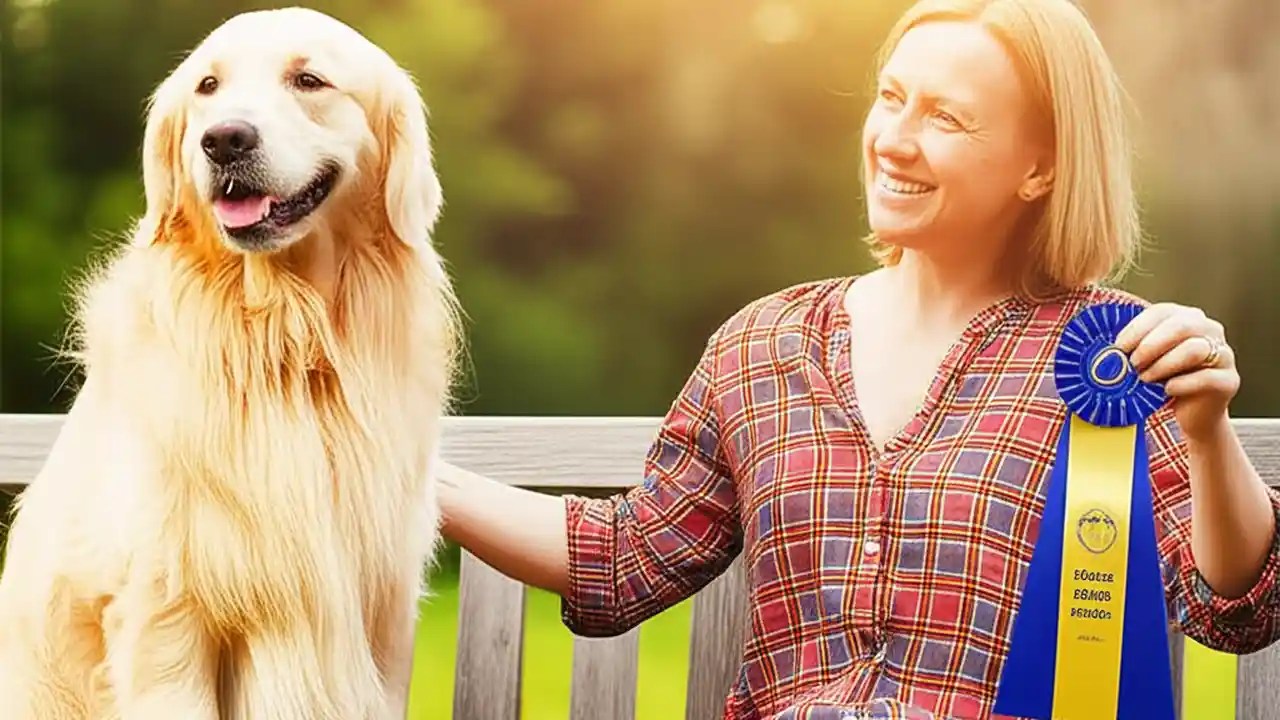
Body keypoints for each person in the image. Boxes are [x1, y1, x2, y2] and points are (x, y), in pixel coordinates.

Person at [438, 0, 1280, 717]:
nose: (895, 140)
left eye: (945, 117)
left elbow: (1236, 613)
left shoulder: (1118, 359)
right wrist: (399, 467)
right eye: (891, 98)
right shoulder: (763, 343)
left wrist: (1208, 436)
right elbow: (626, 561)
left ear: (1041, 167)